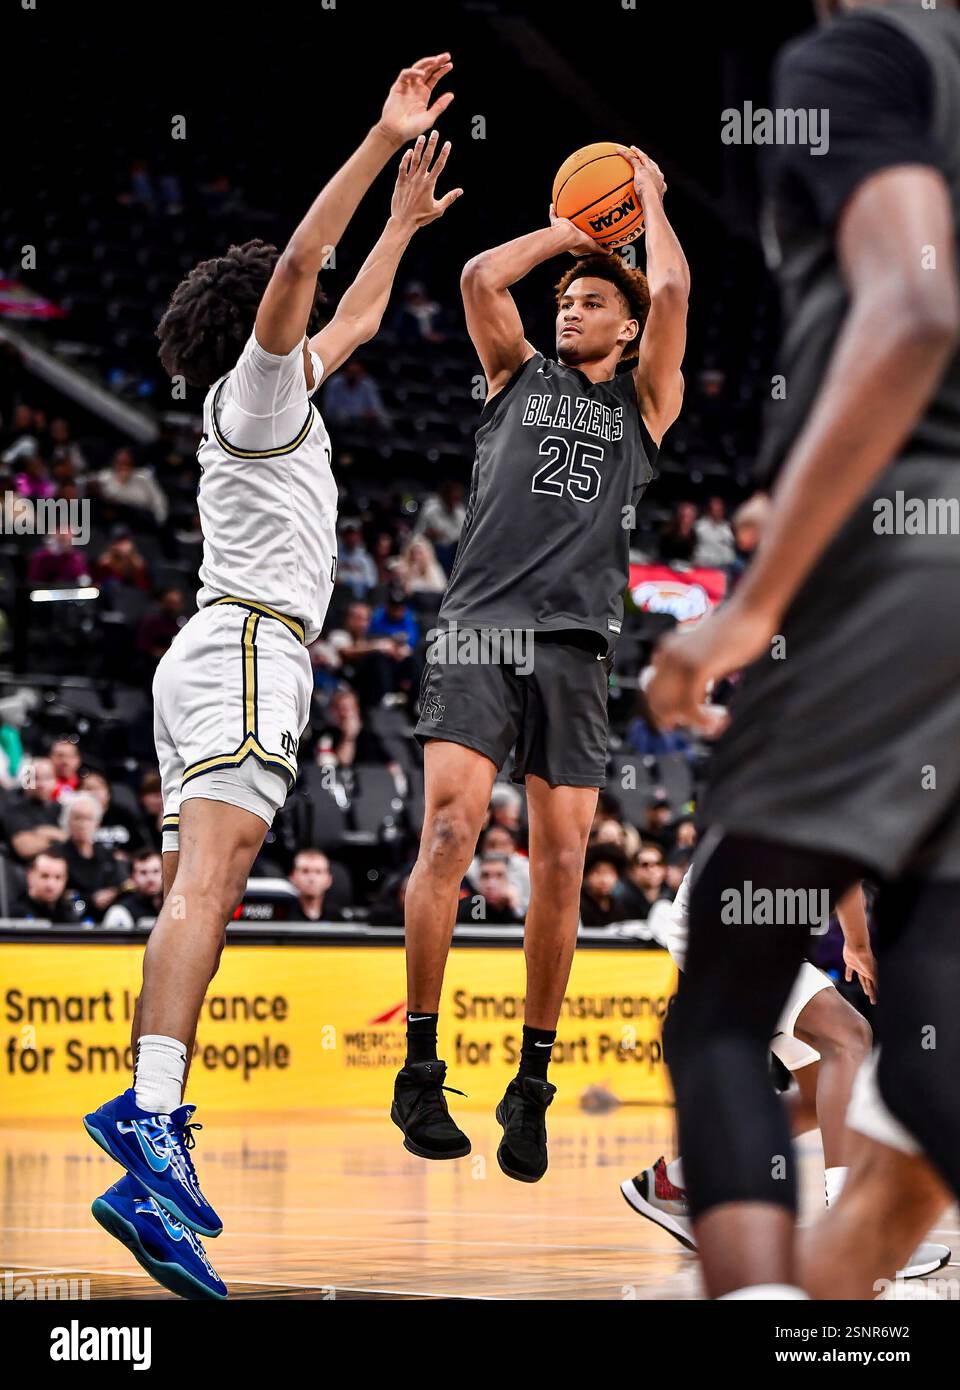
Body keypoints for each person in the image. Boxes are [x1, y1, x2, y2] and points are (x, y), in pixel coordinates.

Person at [83, 53, 461, 1301]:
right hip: (248, 643)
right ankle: (146, 1121)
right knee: (211, 882)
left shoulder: (276, 397)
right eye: (286, 314)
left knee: (213, 888)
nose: (309, 318)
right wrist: (375, 143)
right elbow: (305, 275)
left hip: (224, 651)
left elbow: (346, 318)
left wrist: (403, 222)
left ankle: (153, 1148)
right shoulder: (253, 387)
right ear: (256, 324)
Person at [645, 0, 960, 1300]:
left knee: (722, 1004)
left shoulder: (859, 55)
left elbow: (917, 310)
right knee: (932, 1032)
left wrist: (756, 599)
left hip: (908, 578)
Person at [395, 143, 688, 1182]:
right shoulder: (515, 372)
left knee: (562, 862)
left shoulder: (641, 407)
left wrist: (643, 199)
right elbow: (480, 277)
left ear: (627, 324)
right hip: (480, 624)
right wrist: (575, 232)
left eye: (591, 302)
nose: (571, 309)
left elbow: (679, 287)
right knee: (450, 829)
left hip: (576, 643)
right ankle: (420, 1067)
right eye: (565, 300)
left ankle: (532, 1084)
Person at [622, 873, 949, 1280]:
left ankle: (674, 1184)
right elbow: (845, 864)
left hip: (749, 924)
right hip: (735, 921)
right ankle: (851, 1227)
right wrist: (859, 946)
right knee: (848, 1038)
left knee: (819, 1097)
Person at [55, 791, 125, 920]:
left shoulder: (106, 854)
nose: (83, 824)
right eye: (77, 818)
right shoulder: (58, 855)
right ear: (67, 821)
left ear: (97, 823)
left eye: (88, 818)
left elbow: (119, 885)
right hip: (70, 919)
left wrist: (112, 893)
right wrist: (91, 899)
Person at [3, 756, 66, 861]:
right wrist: (60, 838)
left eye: (47, 778)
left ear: (55, 780)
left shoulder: (60, 808)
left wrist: (46, 833)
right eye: (35, 777)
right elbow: (25, 848)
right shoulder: (13, 807)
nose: (41, 784)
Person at [11, 850, 86, 925]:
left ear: (66, 879)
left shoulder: (68, 911)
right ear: (30, 876)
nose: (51, 884)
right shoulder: (18, 914)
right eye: (44, 876)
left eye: (58, 877)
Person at [102, 849, 165, 930]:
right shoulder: (120, 912)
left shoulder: (175, 906)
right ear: (132, 877)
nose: (150, 878)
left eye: (156, 871)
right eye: (143, 872)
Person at [288, 847, 341, 921]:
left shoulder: (338, 919)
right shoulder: (283, 917)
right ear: (292, 877)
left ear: (329, 880)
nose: (311, 878)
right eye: (305, 871)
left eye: (318, 872)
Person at [579, 845, 626, 927]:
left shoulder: (619, 906)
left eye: (610, 873)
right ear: (586, 876)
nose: (604, 880)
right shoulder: (579, 906)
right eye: (597, 872)